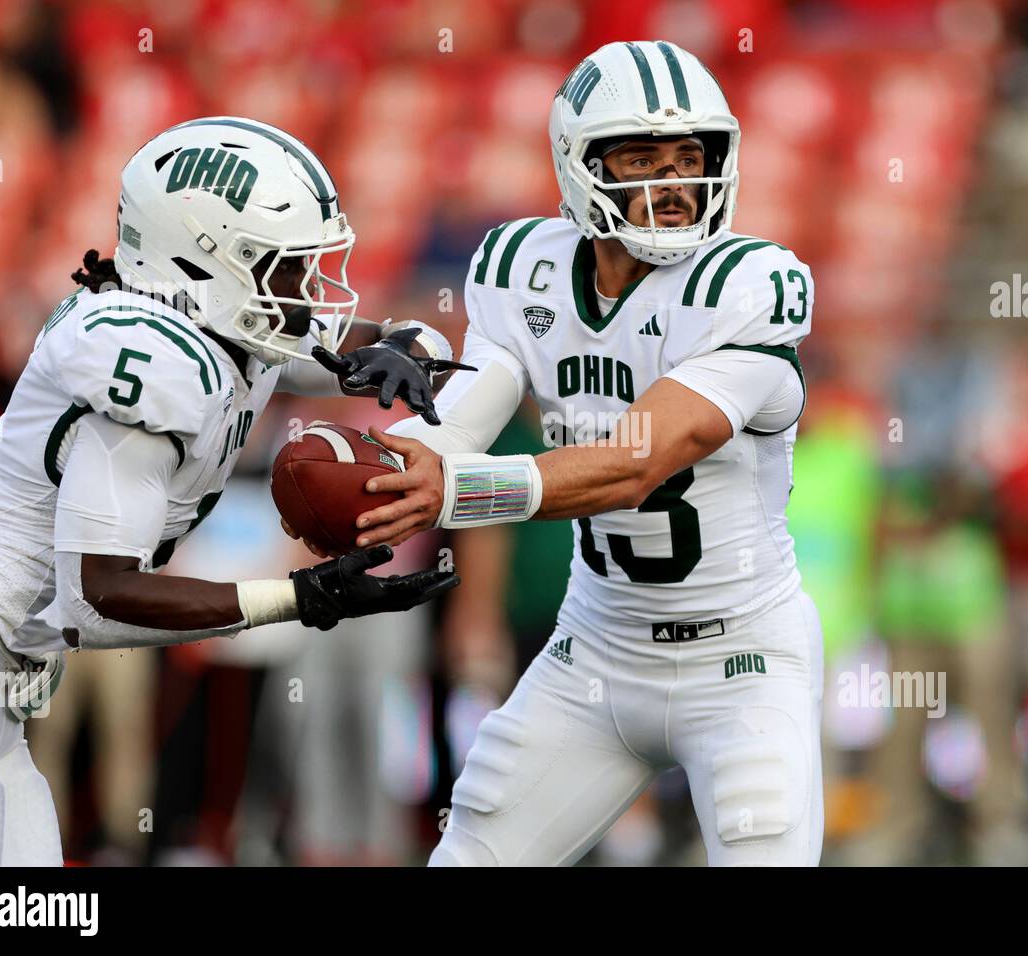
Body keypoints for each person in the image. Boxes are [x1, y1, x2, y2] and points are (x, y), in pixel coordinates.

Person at [342, 42, 823, 866]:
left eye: (689, 158)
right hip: (594, 651)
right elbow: (453, 428)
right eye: (641, 158)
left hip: (743, 660)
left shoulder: (745, 285)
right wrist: (371, 467)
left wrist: (451, 493)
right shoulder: (520, 267)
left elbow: (637, 461)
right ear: (579, 164)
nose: (674, 185)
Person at [0, 115, 461, 866]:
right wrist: (299, 597)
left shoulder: (230, 327)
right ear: (204, 260)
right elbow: (97, 599)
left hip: (3, 678)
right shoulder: (150, 361)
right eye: (285, 267)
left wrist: (420, 346)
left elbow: (379, 340)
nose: (308, 290)